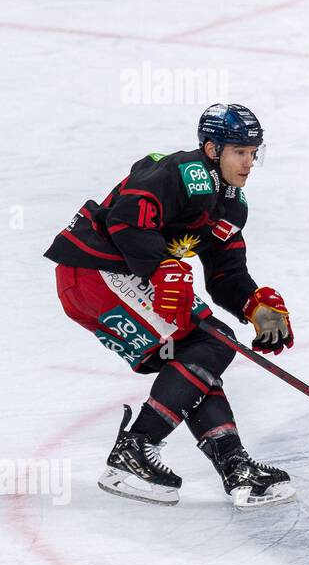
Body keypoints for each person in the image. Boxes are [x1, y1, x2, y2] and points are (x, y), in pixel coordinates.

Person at [44, 103, 296, 509]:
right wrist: (161, 267)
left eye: (254, 152)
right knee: (213, 343)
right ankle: (135, 450)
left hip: (114, 280)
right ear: (212, 149)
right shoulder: (180, 172)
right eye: (239, 151)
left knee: (201, 353)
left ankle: (234, 466)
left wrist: (254, 306)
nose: (248, 162)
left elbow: (225, 274)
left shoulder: (231, 204)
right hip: (95, 271)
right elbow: (125, 220)